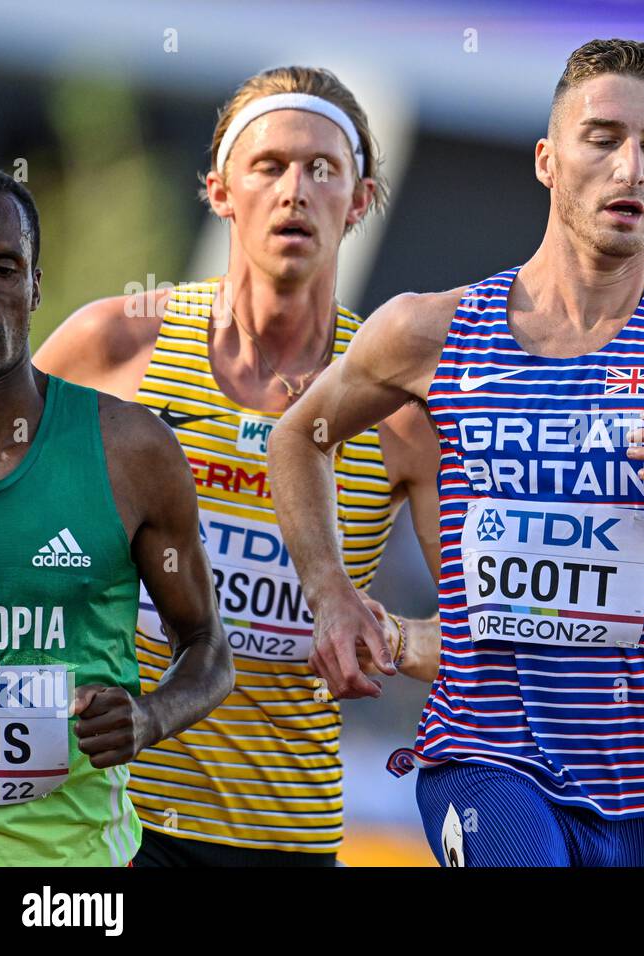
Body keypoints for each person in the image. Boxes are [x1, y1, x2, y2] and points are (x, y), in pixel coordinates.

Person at [269, 38, 644, 867]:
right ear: (548, 161)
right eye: (604, 138)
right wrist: (332, 593)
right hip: (483, 755)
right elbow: (300, 433)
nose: (630, 168)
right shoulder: (431, 330)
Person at [34, 66, 440, 866]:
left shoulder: (397, 410)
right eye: (270, 166)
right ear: (220, 190)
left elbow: (479, 642)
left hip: (275, 832)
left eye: (324, 169)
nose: (296, 191)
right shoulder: (115, 348)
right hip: (91, 812)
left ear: (359, 201)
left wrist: (380, 633)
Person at [0, 164, 233, 866]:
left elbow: (207, 646)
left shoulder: (132, 450)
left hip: (74, 873)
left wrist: (149, 717)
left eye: (2, 269)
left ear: (35, 286)